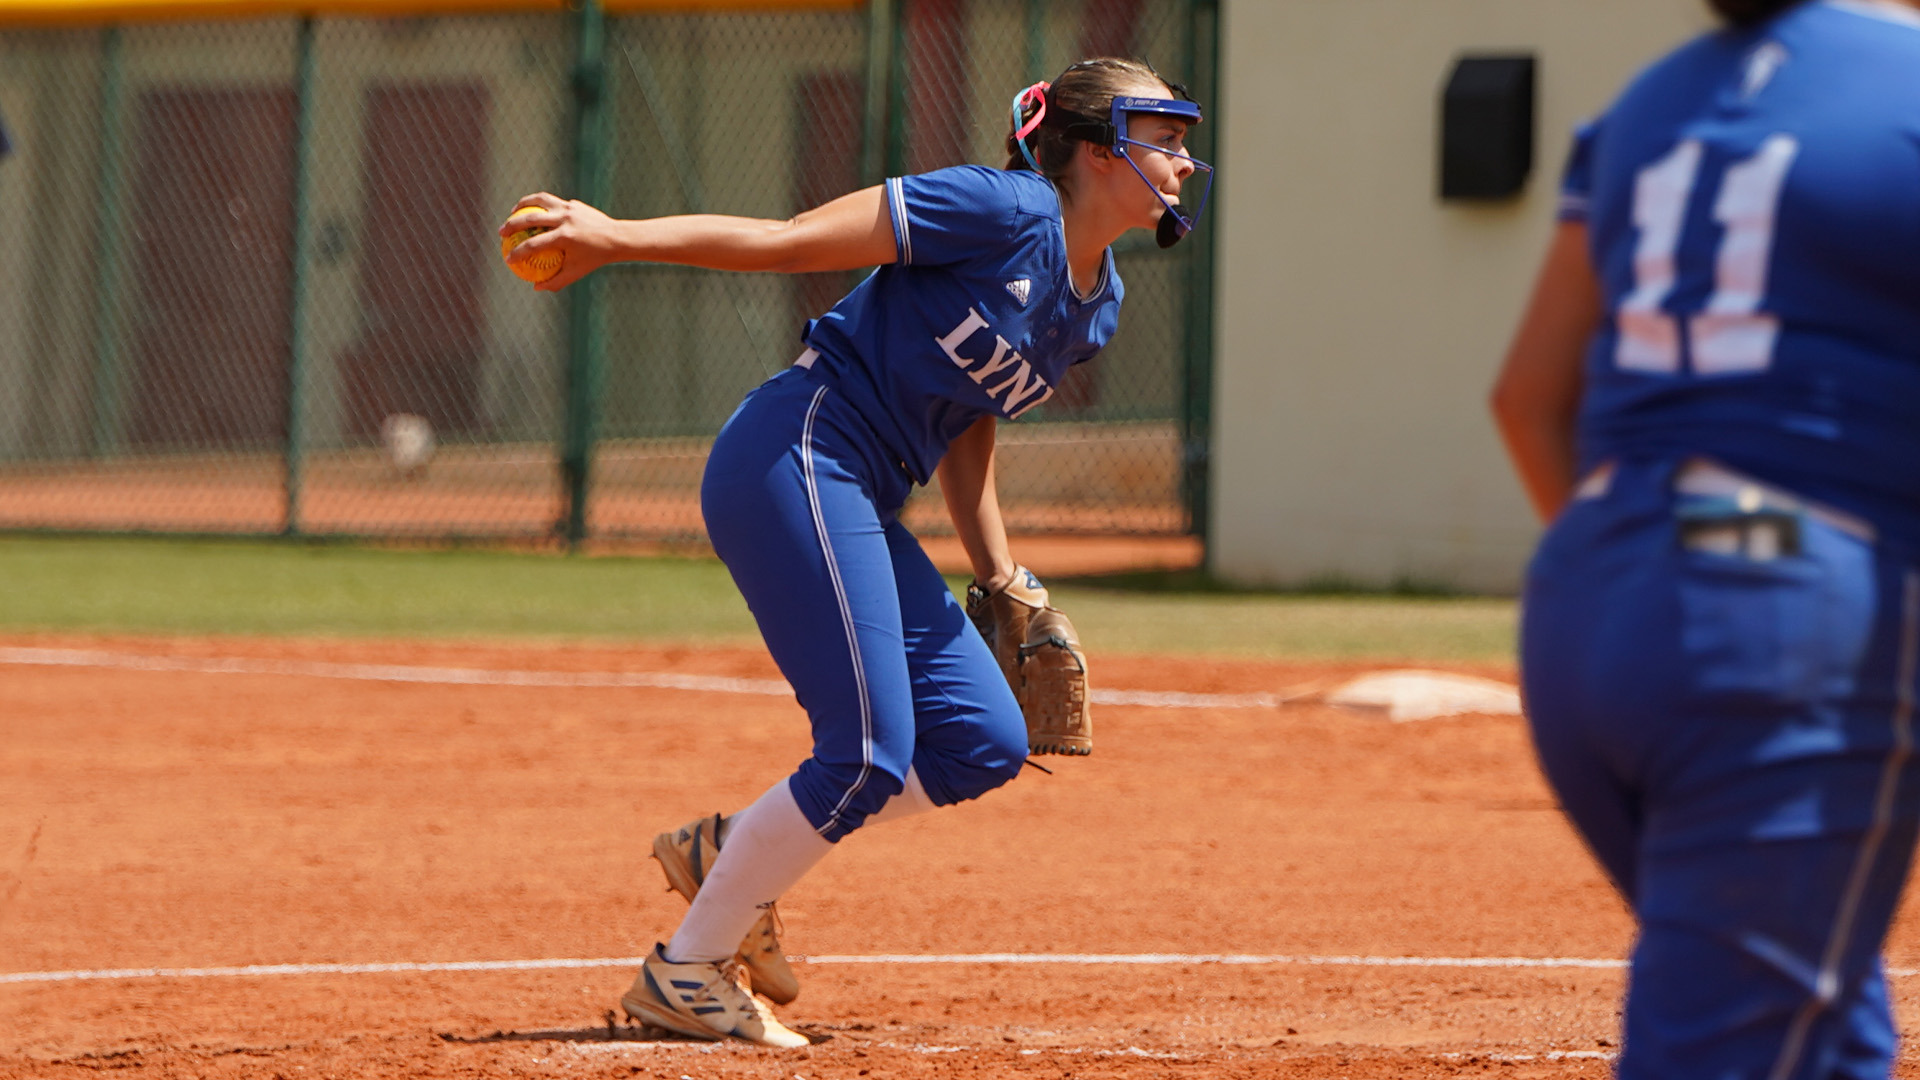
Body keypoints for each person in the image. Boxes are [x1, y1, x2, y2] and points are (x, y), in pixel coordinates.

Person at [501, 57, 1212, 1048]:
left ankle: (731, 853)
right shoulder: (998, 207)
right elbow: (791, 242)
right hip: (798, 449)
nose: (1183, 157)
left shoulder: (1096, 305)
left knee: (981, 740)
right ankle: (687, 970)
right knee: (871, 753)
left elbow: (972, 417)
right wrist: (616, 236)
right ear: (1098, 152)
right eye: (1163, 136)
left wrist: (998, 572)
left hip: (863, 494)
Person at [1491, 1, 1920, 1076]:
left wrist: (1668, 560)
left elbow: (1527, 396)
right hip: (1780, 604)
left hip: (1597, 580)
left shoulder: (1653, 98)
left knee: (1823, 1017)